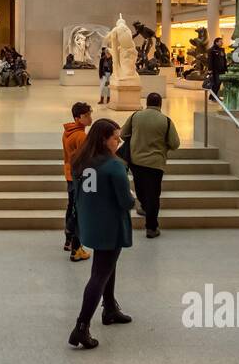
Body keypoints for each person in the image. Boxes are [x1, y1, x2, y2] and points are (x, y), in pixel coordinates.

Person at [67, 118, 135, 350]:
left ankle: (110, 307)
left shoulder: (81, 161)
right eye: (115, 137)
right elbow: (125, 201)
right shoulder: (114, 166)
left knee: (108, 265)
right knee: (99, 274)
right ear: (104, 139)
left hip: (90, 222)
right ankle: (81, 327)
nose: (118, 141)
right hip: (110, 225)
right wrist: (133, 197)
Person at [121, 91, 181, 238]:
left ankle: (143, 205)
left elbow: (123, 134)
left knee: (140, 187)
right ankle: (151, 227)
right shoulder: (166, 121)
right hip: (155, 163)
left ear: (146, 103)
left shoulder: (136, 116)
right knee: (154, 194)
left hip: (136, 160)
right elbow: (175, 143)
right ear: (160, 104)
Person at [61, 102, 92, 263]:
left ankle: (68, 239)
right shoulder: (81, 136)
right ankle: (76, 247)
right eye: (86, 116)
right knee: (78, 210)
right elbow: (86, 159)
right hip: (78, 176)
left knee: (71, 206)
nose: (90, 118)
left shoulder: (68, 132)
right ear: (77, 118)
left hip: (69, 173)